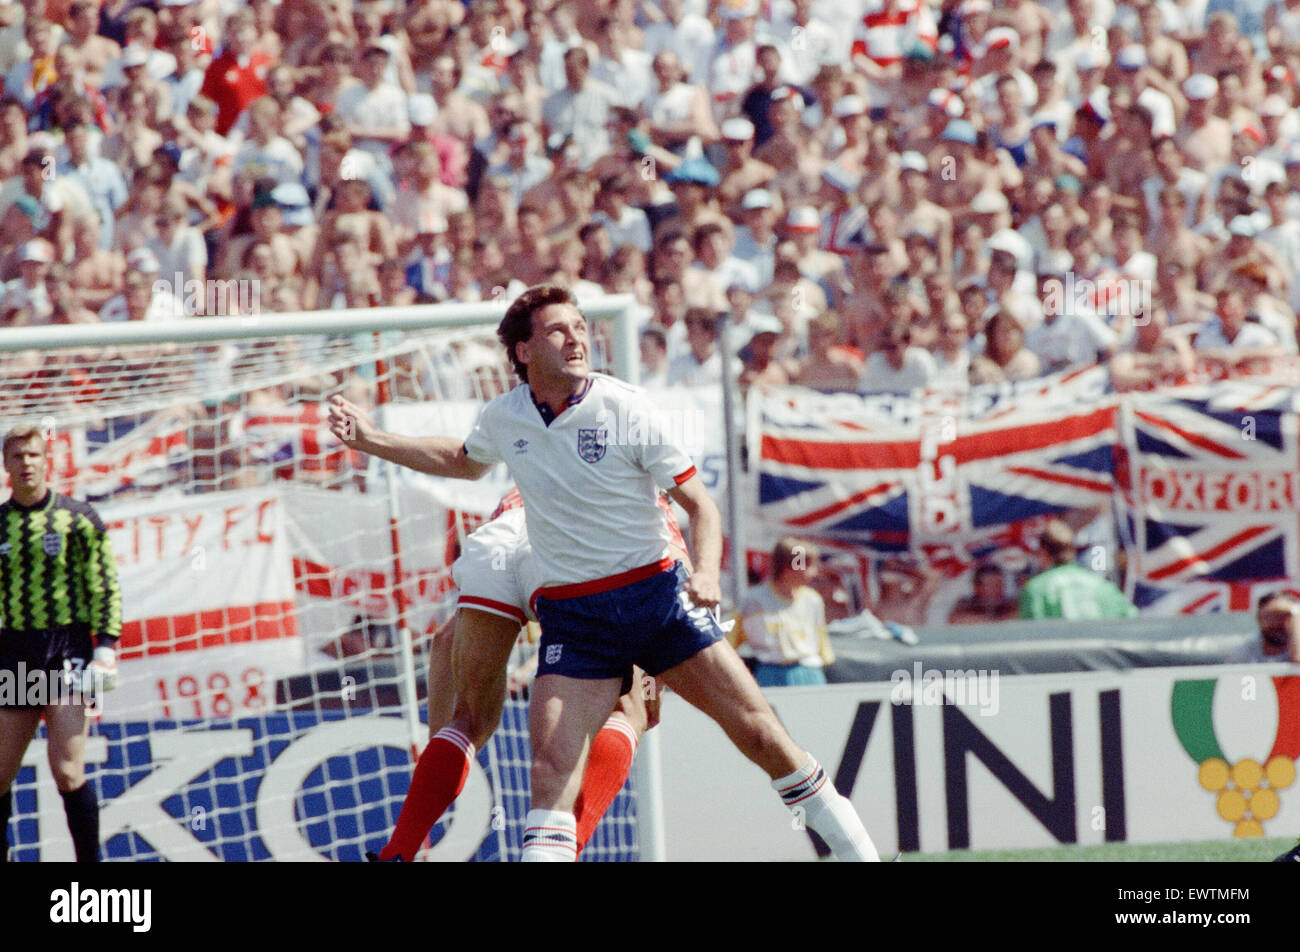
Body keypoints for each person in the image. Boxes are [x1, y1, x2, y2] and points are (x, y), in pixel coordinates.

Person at [409, 284, 878, 862]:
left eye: (580, 327)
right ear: (525, 352)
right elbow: (461, 460)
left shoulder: (624, 406)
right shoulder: (507, 417)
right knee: (550, 772)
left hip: (656, 603)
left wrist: (706, 573)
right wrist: (371, 440)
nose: (576, 337)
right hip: (576, 620)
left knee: (763, 738)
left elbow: (701, 506)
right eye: (558, 329)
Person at [0, 424, 122, 863]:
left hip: (68, 650)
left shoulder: (78, 518)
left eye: (33, 455)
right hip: (14, 653)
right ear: (6, 465)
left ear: (46, 460)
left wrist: (106, 647)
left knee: (68, 772)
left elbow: (104, 584)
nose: (26, 463)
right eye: (17, 457)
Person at [732, 538, 835, 686]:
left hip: (808, 673)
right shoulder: (755, 599)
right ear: (793, 566)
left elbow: (821, 640)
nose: (815, 572)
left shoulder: (813, 600)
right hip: (769, 674)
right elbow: (732, 638)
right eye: (810, 565)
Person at [1019, 520, 1138, 621]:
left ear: (1043, 553)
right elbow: (1131, 619)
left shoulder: (1036, 589)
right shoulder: (1103, 586)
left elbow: (1030, 636)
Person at [1226, 591, 1300, 664]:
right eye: (1271, 617)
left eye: (1284, 616)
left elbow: (1298, 658)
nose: (1277, 623)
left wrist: (1296, 613)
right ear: (1259, 618)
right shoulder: (1243, 653)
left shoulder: (1296, 644)